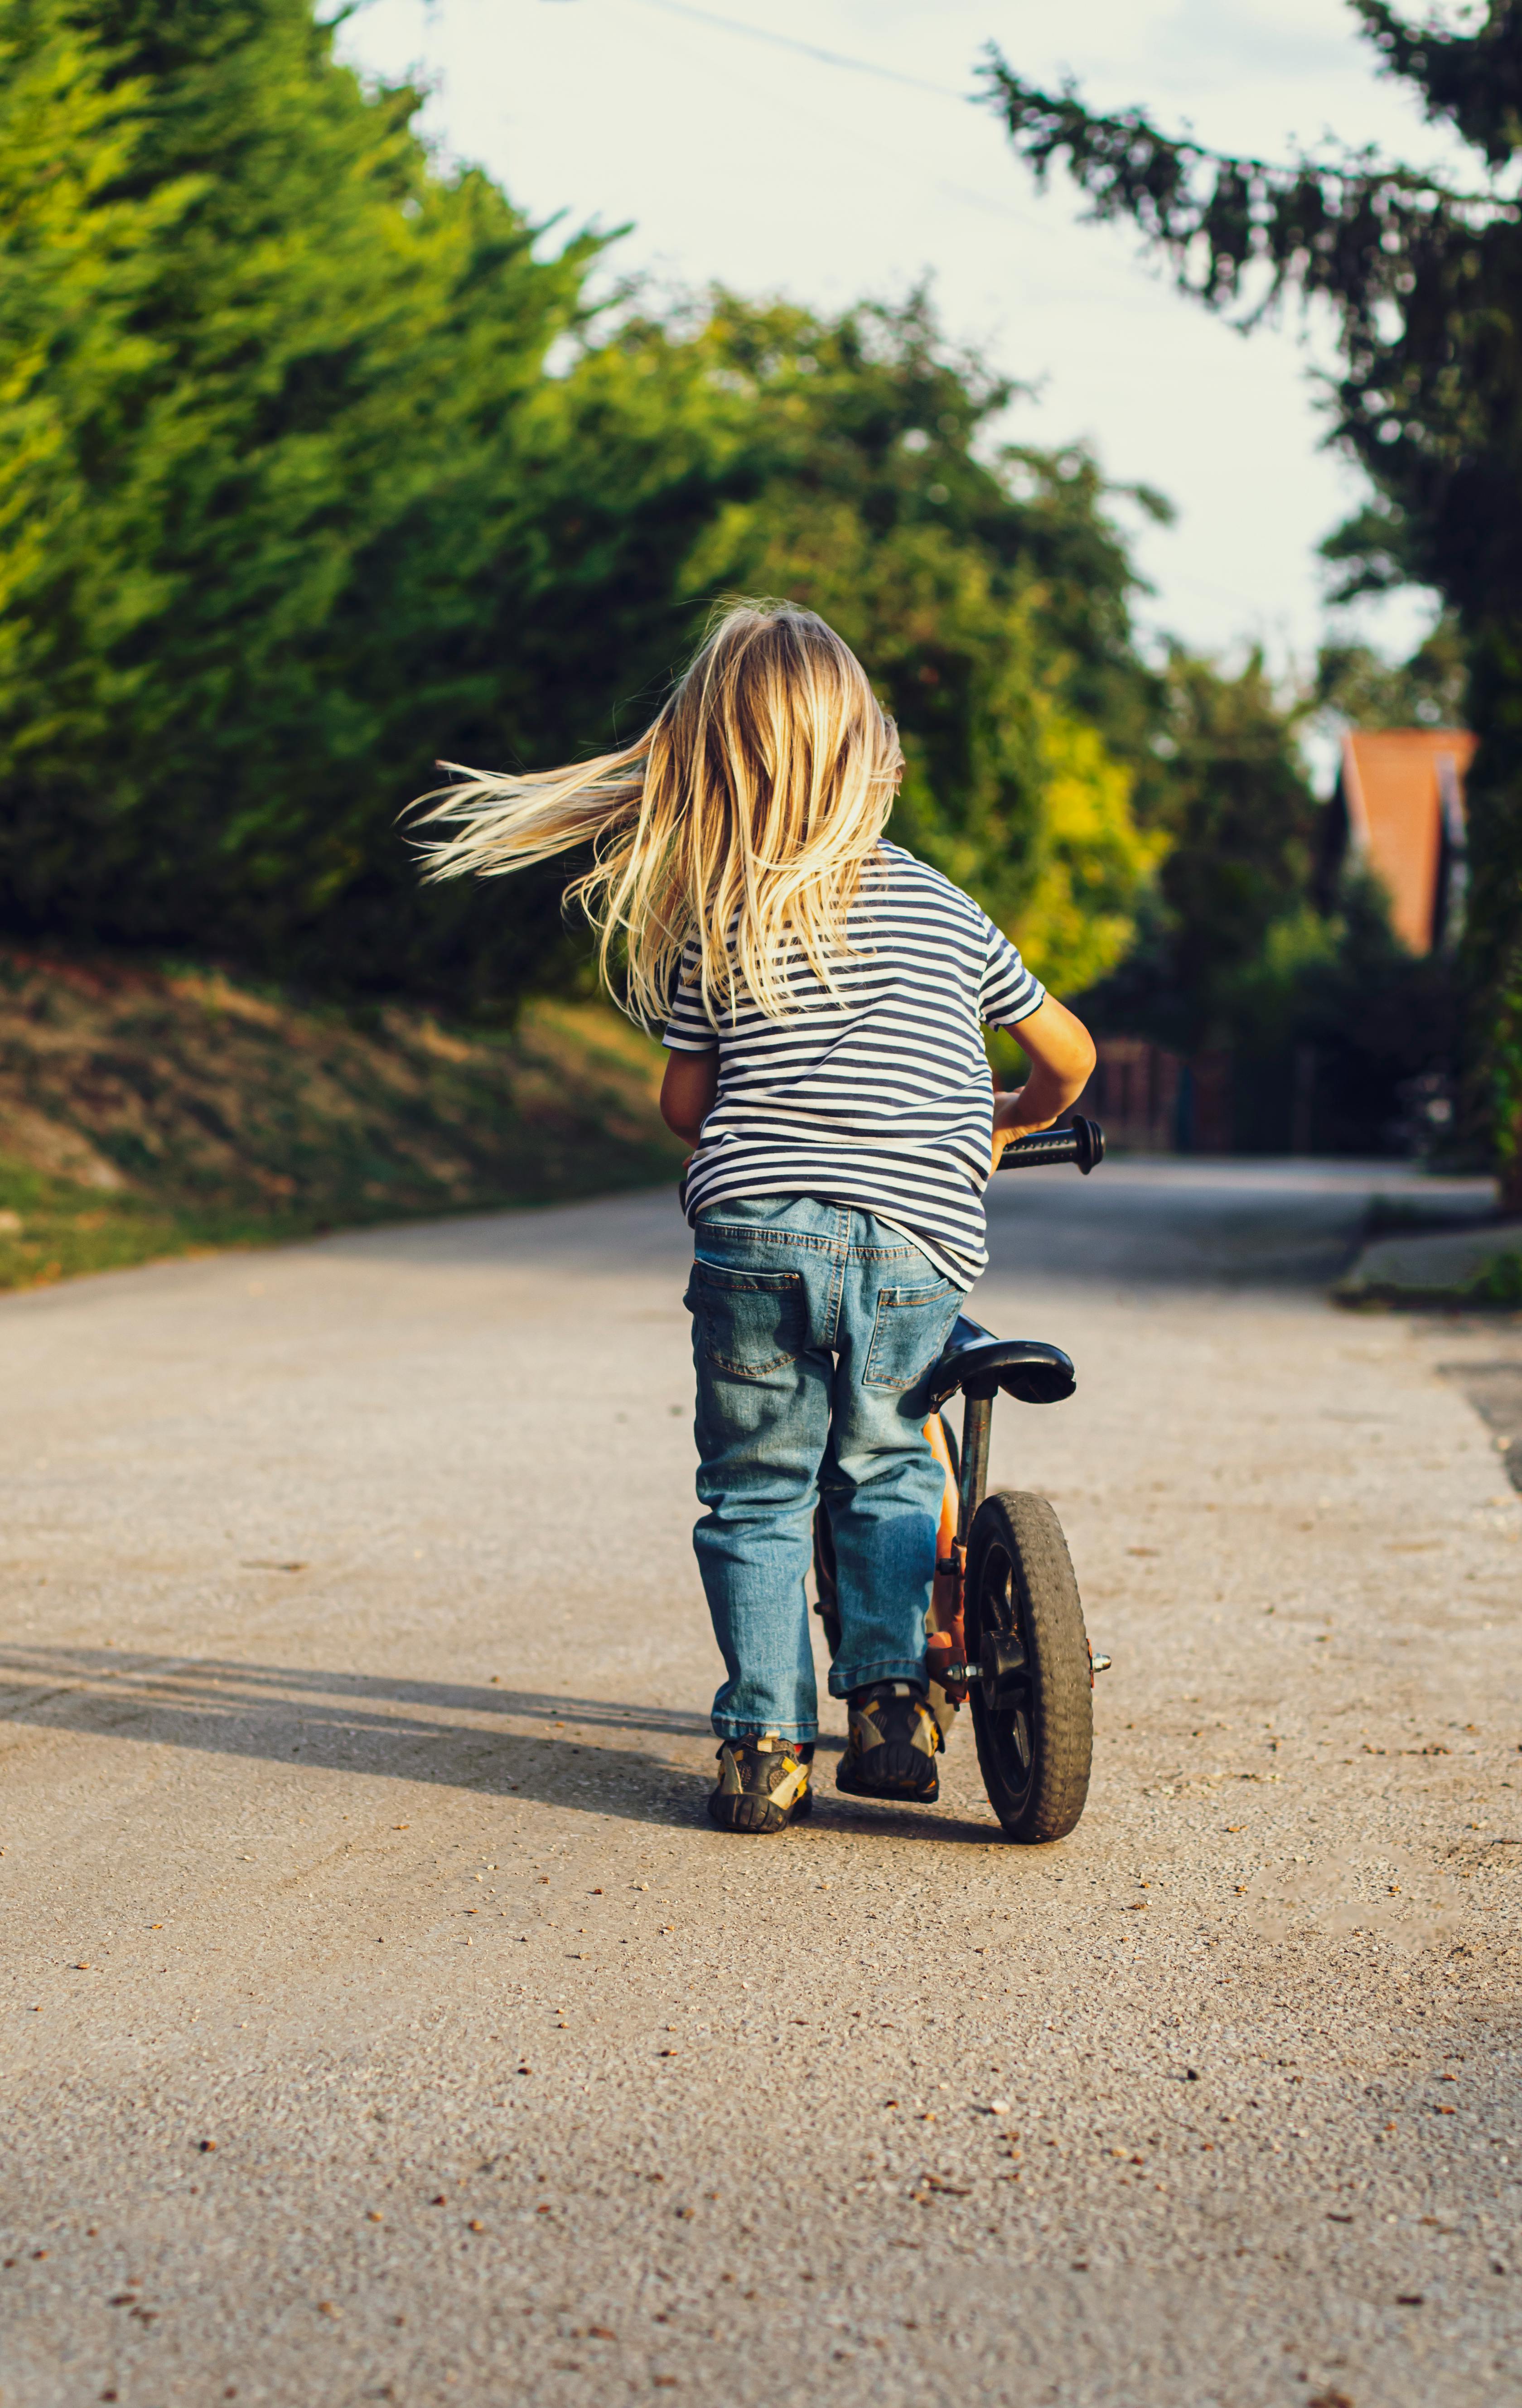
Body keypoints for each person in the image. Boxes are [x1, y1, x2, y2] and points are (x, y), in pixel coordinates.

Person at [414, 601, 1095, 1834]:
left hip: (754, 1247)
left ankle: (766, 1746)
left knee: (757, 1493)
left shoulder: (723, 919)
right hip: (911, 1247)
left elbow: (686, 1105)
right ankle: (891, 1700)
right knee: (890, 1461)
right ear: (873, 757)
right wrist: (1000, 1117)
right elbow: (1069, 1054)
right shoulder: (946, 907)